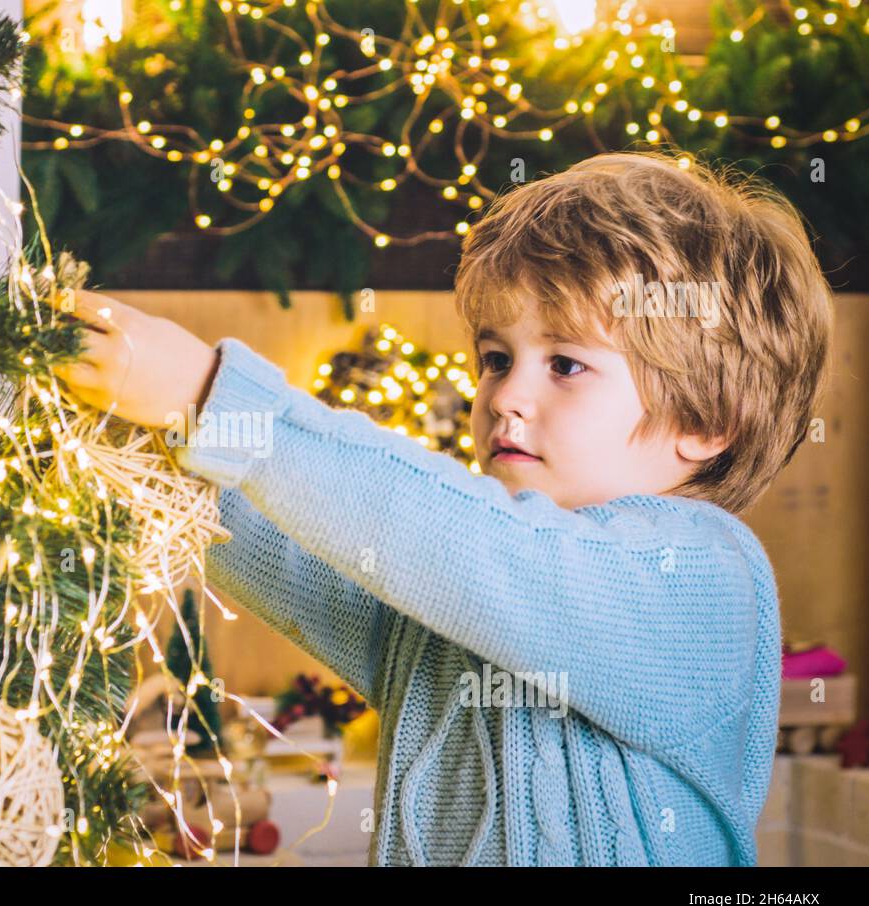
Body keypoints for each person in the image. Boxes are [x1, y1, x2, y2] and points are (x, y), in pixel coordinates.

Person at [55, 150, 834, 865]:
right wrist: (142, 434)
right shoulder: (456, 596)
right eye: (496, 358)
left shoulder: (702, 571)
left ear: (704, 420)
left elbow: (491, 555)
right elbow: (298, 555)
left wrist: (211, 398)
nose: (505, 397)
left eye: (565, 363)